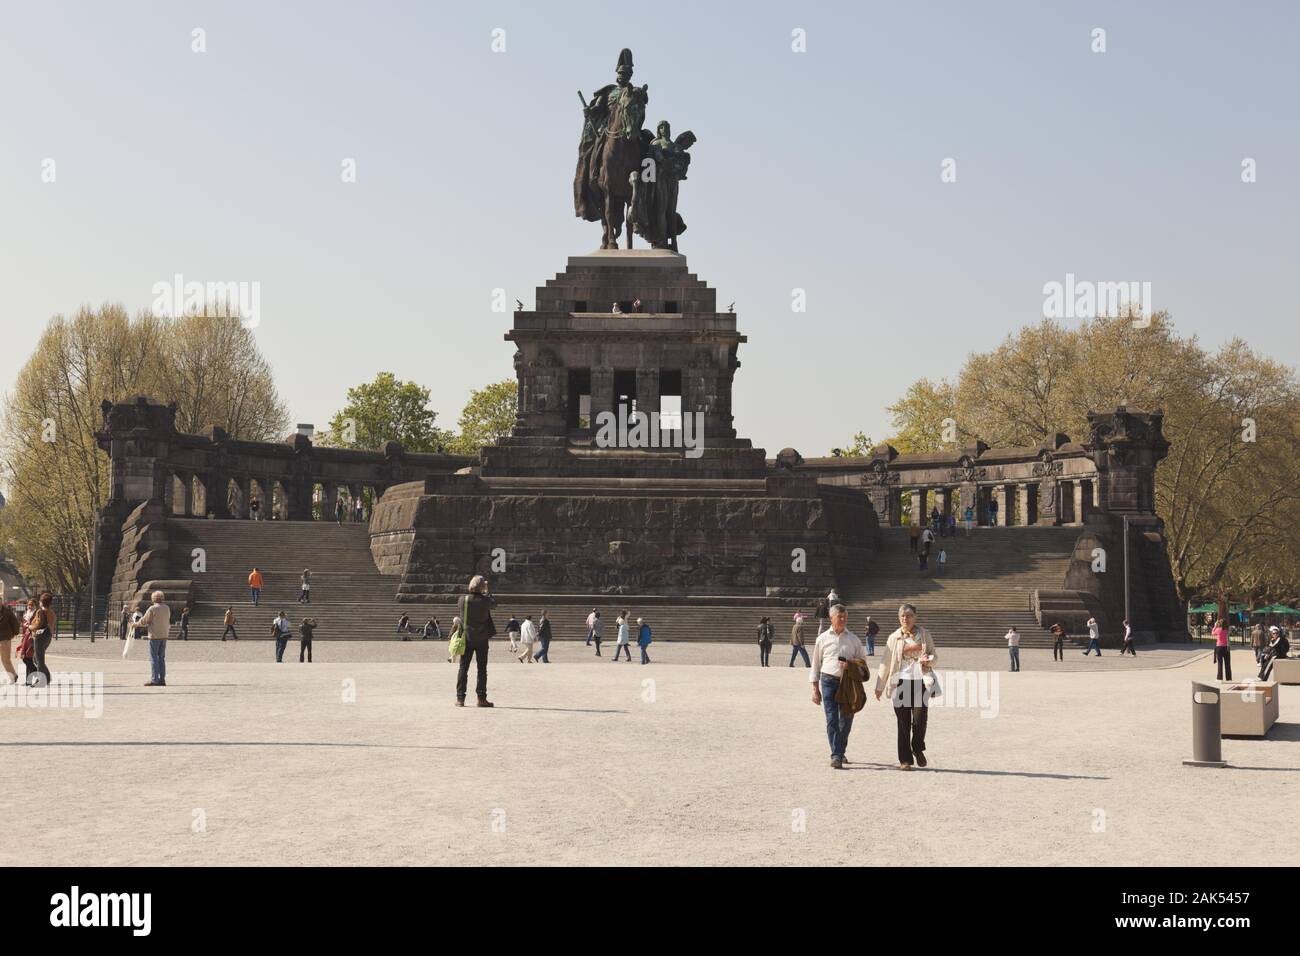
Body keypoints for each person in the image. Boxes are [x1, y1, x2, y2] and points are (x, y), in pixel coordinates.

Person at [875, 603, 938, 770]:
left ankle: (917, 748)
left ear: (915, 617)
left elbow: (935, 656)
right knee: (903, 723)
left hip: (920, 682)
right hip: (900, 682)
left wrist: (928, 660)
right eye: (902, 616)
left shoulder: (924, 635)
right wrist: (879, 685)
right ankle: (905, 760)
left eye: (909, 615)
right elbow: (886, 663)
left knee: (920, 720)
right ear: (899, 618)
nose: (905, 618)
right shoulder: (893, 638)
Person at [809, 604, 867, 770]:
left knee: (846, 719)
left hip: (847, 682)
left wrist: (850, 666)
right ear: (831, 618)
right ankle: (836, 755)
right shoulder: (822, 638)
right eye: (839, 617)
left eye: (844, 617)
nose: (842, 620)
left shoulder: (853, 639)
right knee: (832, 718)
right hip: (827, 680)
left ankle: (839, 750)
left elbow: (863, 663)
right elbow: (815, 664)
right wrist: (815, 689)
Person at [455, 575, 496, 707]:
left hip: (467, 638)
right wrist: (487, 591)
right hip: (482, 638)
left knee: (463, 668)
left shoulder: (463, 600)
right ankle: (481, 698)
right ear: (482, 587)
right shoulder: (486, 601)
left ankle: (460, 698)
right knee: (482, 669)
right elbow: (494, 604)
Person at [138, 589, 171, 687]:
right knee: (161, 658)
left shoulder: (152, 608)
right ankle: (162, 679)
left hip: (154, 636)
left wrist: (136, 624)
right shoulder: (167, 608)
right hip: (164, 635)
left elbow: (144, 621)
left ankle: (154, 680)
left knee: (153, 658)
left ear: (153, 599)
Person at [30, 592, 57, 688]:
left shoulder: (40, 611)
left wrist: (30, 627)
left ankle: (41, 680)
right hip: (48, 636)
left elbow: (38, 624)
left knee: (39, 660)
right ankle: (47, 677)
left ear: (41, 601)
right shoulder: (52, 612)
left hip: (39, 637)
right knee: (36, 658)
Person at [0, 600, 20, 684]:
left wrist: (14, 633)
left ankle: (13, 676)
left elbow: (15, 623)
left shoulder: (7, 612)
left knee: (5, 660)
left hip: (5, 639)